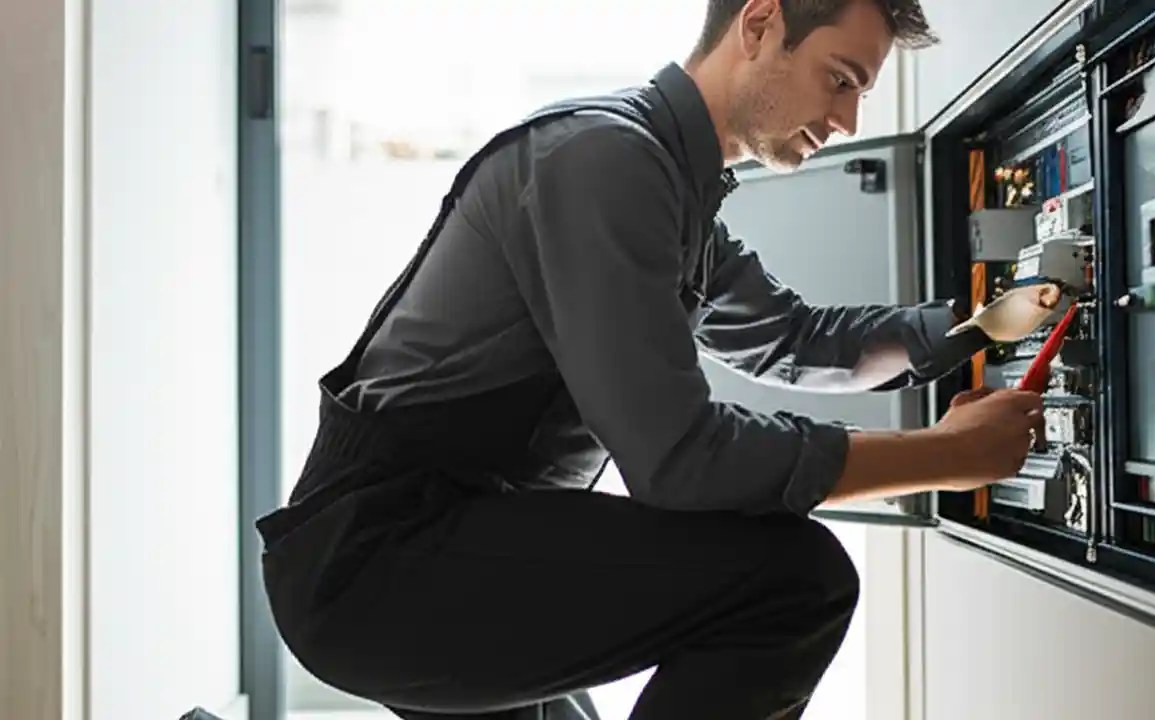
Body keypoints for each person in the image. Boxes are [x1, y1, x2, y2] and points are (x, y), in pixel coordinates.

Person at [255, 1, 1048, 718]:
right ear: (761, 22)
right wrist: (944, 457)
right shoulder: (603, 160)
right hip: (381, 562)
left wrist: (980, 326)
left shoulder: (673, 191)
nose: (846, 119)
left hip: (447, 543)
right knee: (796, 580)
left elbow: (797, 340)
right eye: (838, 80)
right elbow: (679, 461)